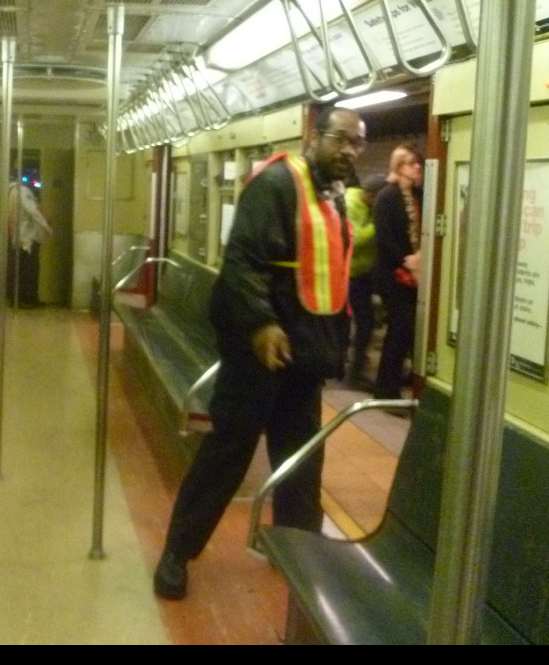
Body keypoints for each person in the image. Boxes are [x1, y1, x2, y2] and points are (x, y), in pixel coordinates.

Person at [153, 106, 364, 600]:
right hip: (260, 350)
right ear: (315, 135)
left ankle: (299, 551)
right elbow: (243, 260)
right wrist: (261, 324)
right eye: (342, 140)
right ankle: (176, 552)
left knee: (301, 458)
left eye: (357, 143)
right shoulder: (274, 186)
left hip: (305, 351)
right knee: (228, 451)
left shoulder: (336, 196)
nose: (349, 151)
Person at [372, 144, 423, 400]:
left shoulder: (417, 196)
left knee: (412, 329)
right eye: (412, 163)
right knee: (401, 327)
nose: (418, 168)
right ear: (399, 166)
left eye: (418, 164)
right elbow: (385, 239)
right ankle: (384, 389)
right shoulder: (387, 197)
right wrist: (408, 261)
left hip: (415, 273)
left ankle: (407, 380)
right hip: (392, 274)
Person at [345, 173, 387, 388]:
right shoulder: (350, 204)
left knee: (367, 322)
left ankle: (355, 367)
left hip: (365, 273)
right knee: (363, 322)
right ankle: (352, 372)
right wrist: (376, 223)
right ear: (370, 195)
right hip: (350, 275)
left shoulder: (367, 205)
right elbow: (357, 238)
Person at [7, 175, 52, 308]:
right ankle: (28, 299)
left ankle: (18, 299)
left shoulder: (10, 193)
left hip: (17, 237)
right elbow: (33, 211)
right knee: (29, 269)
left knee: (20, 269)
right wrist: (47, 227)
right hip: (27, 238)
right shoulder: (23, 191)